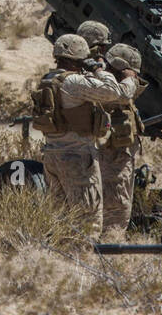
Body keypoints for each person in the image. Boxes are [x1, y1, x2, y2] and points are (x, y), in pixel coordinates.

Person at [32, 34, 131, 235]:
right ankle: (84, 260)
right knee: (88, 220)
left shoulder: (49, 80)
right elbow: (112, 91)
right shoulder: (73, 83)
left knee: (61, 218)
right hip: (77, 158)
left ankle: (60, 259)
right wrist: (99, 69)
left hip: (52, 155)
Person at [99, 42, 146, 240]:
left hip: (119, 155)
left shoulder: (117, 86)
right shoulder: (111, 90)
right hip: (113, 157)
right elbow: (123, 94)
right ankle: (113, 241)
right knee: (117, 200)